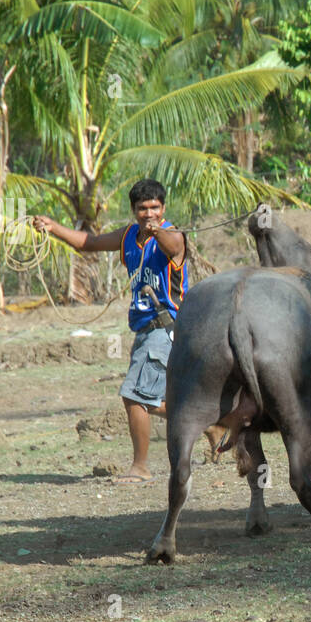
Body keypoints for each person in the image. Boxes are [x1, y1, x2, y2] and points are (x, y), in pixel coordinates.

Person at [32, 179, 190, 485]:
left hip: (166, 328)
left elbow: (173, 247)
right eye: (142, 209)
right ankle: (208, 421)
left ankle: (141, 468)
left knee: (134, 397)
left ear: (164, 208)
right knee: (146, 396)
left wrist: (157, 229)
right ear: (133, 210)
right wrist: (54, 228)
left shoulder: (173, 237)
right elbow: (88, 243)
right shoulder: (128, 236)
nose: (148, 213)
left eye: (154, 208)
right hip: (143, 330)